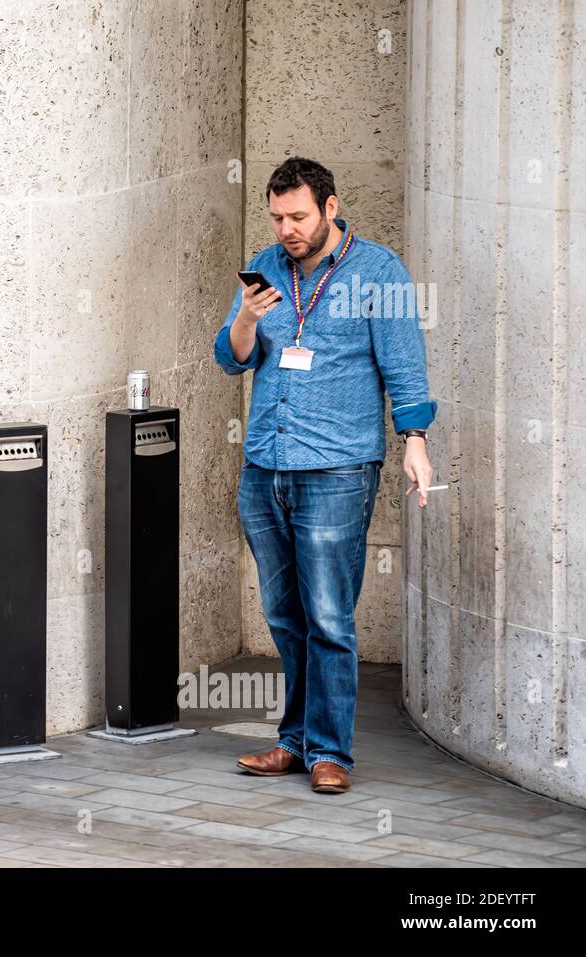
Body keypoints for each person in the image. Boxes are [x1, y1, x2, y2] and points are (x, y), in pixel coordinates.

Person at [213, 157, 436, 794]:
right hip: (265, 466)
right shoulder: (265, 265)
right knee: (283, 615)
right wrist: (249, 318)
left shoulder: (378, 272)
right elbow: (233, 361)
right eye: (278, 217)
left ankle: (329, 751)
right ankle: (294, 741)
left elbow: (405, 369)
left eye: (298, 216)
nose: (286, 229)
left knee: (331, 617)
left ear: (330, 208)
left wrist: (415, 444)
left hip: (337, 468)